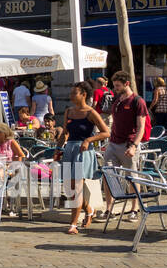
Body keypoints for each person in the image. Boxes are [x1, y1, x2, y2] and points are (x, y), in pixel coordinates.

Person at [59, 81, 108, 234]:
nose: (71, 96)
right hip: (69, 150)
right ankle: (89, 209)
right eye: (71, 93)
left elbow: (106, 132)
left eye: (75, 93)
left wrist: (88, 140)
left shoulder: (91, 112)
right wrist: (57, 149)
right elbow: (65, 133)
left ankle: (73, 224)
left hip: (83, 152)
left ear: (84, 95)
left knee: (77, 187)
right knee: (70, 187)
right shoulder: (68, 111)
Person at [98, 70, 147, 219]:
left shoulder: (138, 101)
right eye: (114, 85)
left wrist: (134, 145)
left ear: (127, 84)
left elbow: (141, 127)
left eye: (118, 85)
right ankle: (109, 208)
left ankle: (134, 209)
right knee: (108, 175)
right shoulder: (117, 99)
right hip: (113, 143)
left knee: (132, 176)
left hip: (128, 144)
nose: (115, 88)